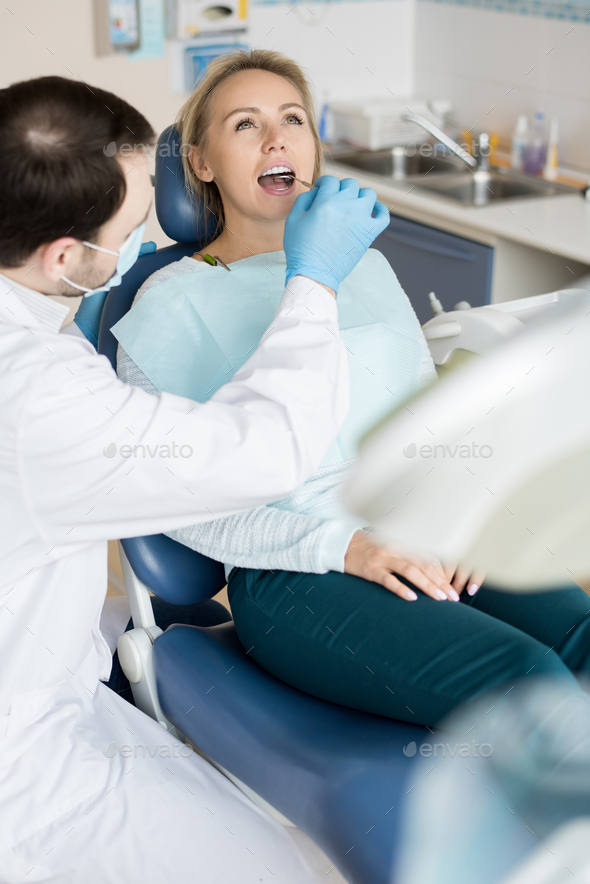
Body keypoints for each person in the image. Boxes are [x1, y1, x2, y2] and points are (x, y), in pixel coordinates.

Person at [115, 49, 590, 729]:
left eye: (294, 120)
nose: (277, 138)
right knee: (527, 682)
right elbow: (182, 505)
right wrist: (346, 547)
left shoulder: (364, 265)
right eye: (246, 125)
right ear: (201, 161)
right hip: (294, 571)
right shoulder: (165, 305)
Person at [0, 74, 390, 883]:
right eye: (137, 224)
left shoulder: (39, 318)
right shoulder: (42, 394)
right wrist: (311, 279)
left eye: (293, 119)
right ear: (65, 256)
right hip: (22, 760)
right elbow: (259, 452)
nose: (152, 236)